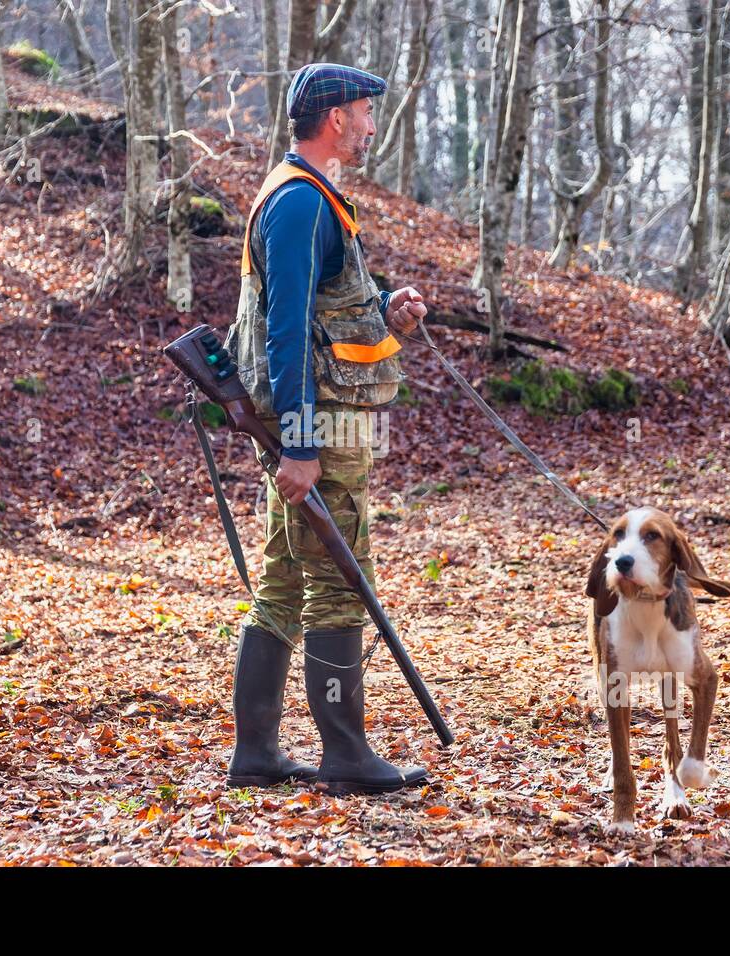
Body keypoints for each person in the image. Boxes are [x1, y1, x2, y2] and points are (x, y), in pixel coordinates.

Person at [222, 63, 430, 795]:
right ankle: (345, 753)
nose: (373, 124)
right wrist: (305, 446)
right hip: (323, 427)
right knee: (342, 583)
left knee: (280, 582)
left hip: (309, 420)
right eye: (367, 111)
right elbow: (285, 333)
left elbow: (321, 309)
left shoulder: (306, 199)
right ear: (335, 117)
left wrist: (384, 306)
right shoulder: (301, 204)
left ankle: (256, 753)